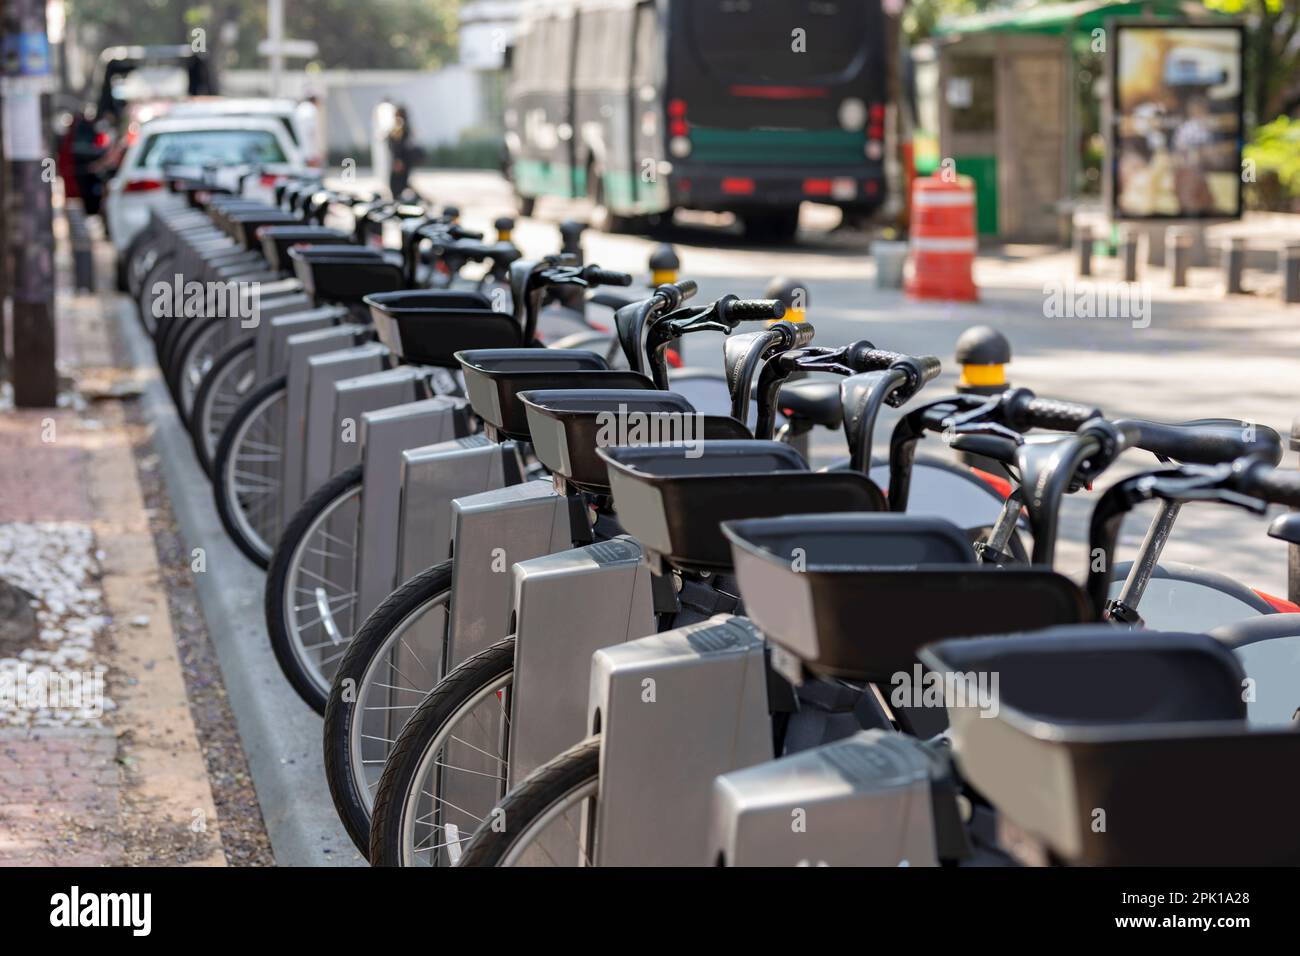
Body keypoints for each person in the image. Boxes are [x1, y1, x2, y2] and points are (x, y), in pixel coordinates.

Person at [387, 106, 416, 200]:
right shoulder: (405, 126)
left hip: (400, 161)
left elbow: (398, 144)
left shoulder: (400, 125)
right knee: (402, 183)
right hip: (403, 160)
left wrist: (398, 160)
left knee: (397, 184)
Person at [371, 96, 396, 194]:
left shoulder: (381, 107)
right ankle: (384, 183)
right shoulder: (388, 107)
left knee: (383, 163)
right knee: (386, 162)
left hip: (382, 137)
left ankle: (384, 182)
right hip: (387, 137)